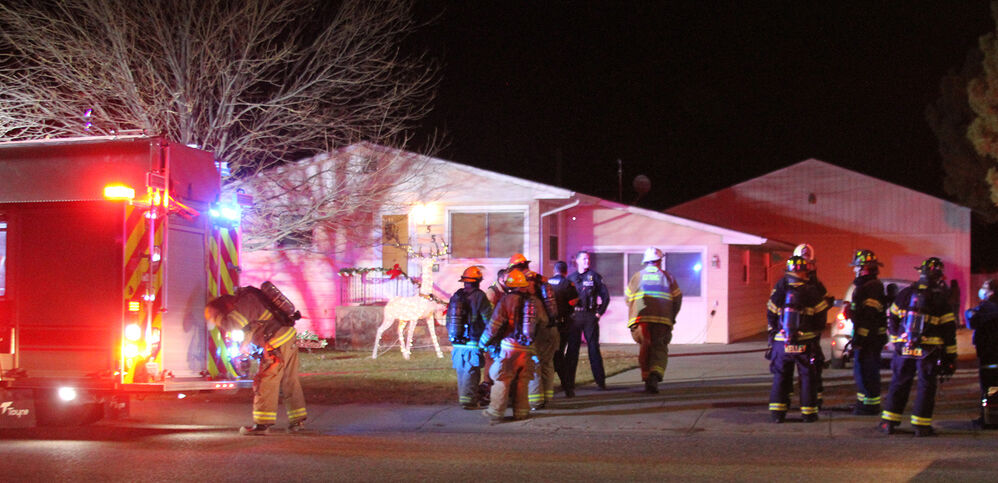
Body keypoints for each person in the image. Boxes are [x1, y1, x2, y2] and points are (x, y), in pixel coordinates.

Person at [205, 286, 307, 435]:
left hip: (276, 344)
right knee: (289, 380)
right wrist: (244, 345)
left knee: (265, 381)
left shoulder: (245, 303)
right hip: (287, 338)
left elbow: (233, 324)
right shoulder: (252, 298)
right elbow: (253, 326)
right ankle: (297, 422)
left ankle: (262, 425)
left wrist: (216, 317)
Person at [879, 257, 957, 437]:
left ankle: (888, 423)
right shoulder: (940, 299)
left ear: (920, 273)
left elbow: (892, 318)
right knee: (926, 385)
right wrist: (950, 357)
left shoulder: (905, 294)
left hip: (903, 348)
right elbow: (948, 331)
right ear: (938, 277)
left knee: (899, 382)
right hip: (928, 350)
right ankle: (921, 426)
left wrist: (897, 340)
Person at [767, 255, 830, 423]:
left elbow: (771, 315)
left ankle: (777, 414)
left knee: (780, 376)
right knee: (807, 376)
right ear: (803, 272)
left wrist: (776, 333)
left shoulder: (780, 290)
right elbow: (821, 318)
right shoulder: (812, 291)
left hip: (782, 343)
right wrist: (812, 332)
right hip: (805, 343)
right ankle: (808, 414)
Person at [480, 269, 548, 422]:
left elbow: (494, 325)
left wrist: (483, 342)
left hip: (509, 347)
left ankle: (496, 412)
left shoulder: (506, 300)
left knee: (502, 378)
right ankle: (522, 412)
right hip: (527, 348)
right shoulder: (535, 302)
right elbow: (544, 321)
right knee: (522, 380)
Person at [505, 253, 560, 409]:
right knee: (547, 363)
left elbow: (526, 313)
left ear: (515, 268)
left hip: (535, 330)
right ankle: (548, 398)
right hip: (551, 328)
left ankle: (535, 400)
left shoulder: (522, 284)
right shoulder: (540, 279)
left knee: (533, 363)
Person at [625, 247, 682, 394]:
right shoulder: (668, 277)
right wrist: (672, 316)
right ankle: (654, 376)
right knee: (659, 348)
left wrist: (635, 310)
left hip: (640, 320)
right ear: (659, 261)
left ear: (646, 261)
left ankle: (646, 376)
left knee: (645, 345)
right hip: (662, 320)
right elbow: (677, 299)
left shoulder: (637, 277)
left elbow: (627, 298)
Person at [846, 249, 888, 415]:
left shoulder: (870, 287)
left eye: (856, 267)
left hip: (869, 339)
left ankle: (870, 405)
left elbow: (868, 317)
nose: (854, 270)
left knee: (867, 371)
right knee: (862, 371)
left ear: (863, 268)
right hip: (870, 337)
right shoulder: (868, 286)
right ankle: (863, 402)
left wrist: (859, 339)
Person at [564, 250, 611, 396]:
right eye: (584, 259)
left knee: (593, 349)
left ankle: (600, 381)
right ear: (577, 261)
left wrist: (599, 313)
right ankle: (569, 383)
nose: (587, 261)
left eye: (588, 259)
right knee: (572, 350)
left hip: (590, 316)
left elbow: (605, 297)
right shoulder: (570, 278)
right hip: (575, 317)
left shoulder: (595, 277)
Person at [446, 266, 494, 409]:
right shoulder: (480, 296)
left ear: (464, 281)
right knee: (471, 373)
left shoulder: (456, 295)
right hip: (472, 342)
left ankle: (463, 399)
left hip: (457, 342)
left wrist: (453, 335)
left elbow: (449, 319)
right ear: (478, 281)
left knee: (461, 372)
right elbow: (488, 319)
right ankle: (469, 401)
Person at [965, 279, 998, 429]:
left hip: (990, 354)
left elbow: (972, 321)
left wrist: (969, 312)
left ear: (992, 291)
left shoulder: (987, 307)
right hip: (991, 352)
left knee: (989, 387)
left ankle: (989, 419)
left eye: (985, 287)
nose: (982, 289)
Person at [548, 261, 579, 392]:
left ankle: (550, 385)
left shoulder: (547, 283)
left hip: (548, 325)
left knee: (550, 355)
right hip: (563, 324)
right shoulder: (567, 284)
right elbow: (573, 302)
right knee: (559, 354)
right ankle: (567, 386)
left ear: (554, 270)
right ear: (566, 271)